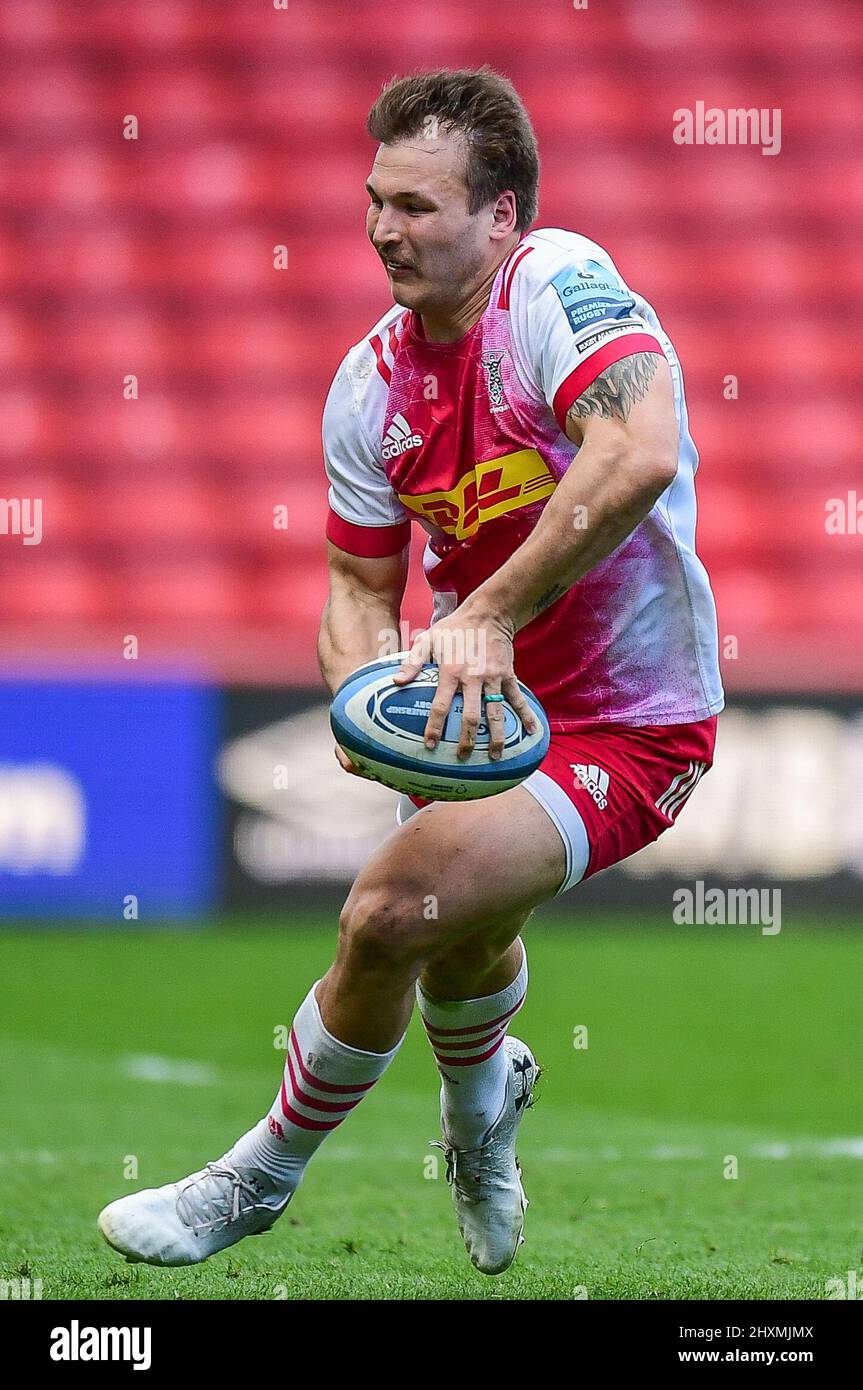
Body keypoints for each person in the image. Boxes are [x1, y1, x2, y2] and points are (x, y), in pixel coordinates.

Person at [98, 65, 723, 1277]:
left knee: (387, 910)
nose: (385, 227)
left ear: (501, 218)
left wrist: (487, 609)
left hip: (630, 725)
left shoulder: (553, 289)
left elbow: (639, 449)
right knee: (460, 934)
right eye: (375, 200)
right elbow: (355, 589)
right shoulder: (367, 384)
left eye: (418, 206)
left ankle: (254, 1178)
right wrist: (354, 691)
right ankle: (484, 1110)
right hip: (472, 717)